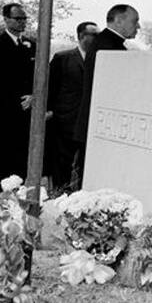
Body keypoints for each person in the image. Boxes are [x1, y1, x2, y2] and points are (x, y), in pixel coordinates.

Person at [74, 4, 139, 157]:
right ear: (119, 21)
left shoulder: (107, 43)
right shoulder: (109, 47)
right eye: (134, 21)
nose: (138, 26)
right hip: (100, 123)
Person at [0, 2, 35, 189]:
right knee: (1, 152)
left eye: (24, 19)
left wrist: (33, 96)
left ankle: (18, 189)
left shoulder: (31, 45)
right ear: (6, 20)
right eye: (17, 19)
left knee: (21, 152)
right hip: (1, 108)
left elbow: (38, 75)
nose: (22, 22)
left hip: (25, 108)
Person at [47, 21, 97, 190]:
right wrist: (50, 110)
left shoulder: (99, 59)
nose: (98, 39)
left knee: (85, 160)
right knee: (63, 160)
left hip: (89, 119)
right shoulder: (63, 58)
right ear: (82, 36)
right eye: (94, 35)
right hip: (66, 118)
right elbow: (51, 86)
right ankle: (60, 192)